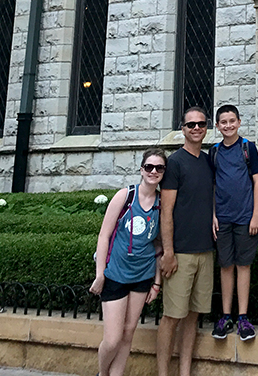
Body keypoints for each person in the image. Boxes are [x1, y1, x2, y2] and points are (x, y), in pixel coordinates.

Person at [90, 147, 166, 376]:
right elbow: (104, 236)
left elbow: (160, 245)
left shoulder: (162, 204)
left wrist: (157, 282)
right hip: (116, 275)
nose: (153, 171)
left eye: (159, 168)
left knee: (128, 333)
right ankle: (102, 373)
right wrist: (100, 273)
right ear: (141, 169)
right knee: (112, 339)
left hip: (142, 276)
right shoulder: (126, 196)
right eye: (149, 167)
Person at [157, 106, 215, 376]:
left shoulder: (207, 161)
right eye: (190, 124)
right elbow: (166, 211)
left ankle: (184, 372)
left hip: (206, 251)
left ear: (206, 128)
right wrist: (168, 252)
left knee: (193, 317)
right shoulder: (175, 163)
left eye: (201, 124)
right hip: (180, 254)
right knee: (171, 318)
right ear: (182, 129)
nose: (196, 128)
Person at [209, 104, 258, 342]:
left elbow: (257, 182)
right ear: (218, 126)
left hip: (245, 218)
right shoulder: (214, 152)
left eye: (232, 121)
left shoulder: (247, 148)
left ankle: (243, 317)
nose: (228, 125)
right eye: (223, 122)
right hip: (222, 219)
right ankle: (226, 316)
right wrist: (212, 214)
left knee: (243, 265)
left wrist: (256, 215)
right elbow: (211, 186)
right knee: (225, 266)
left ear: (239, 122)